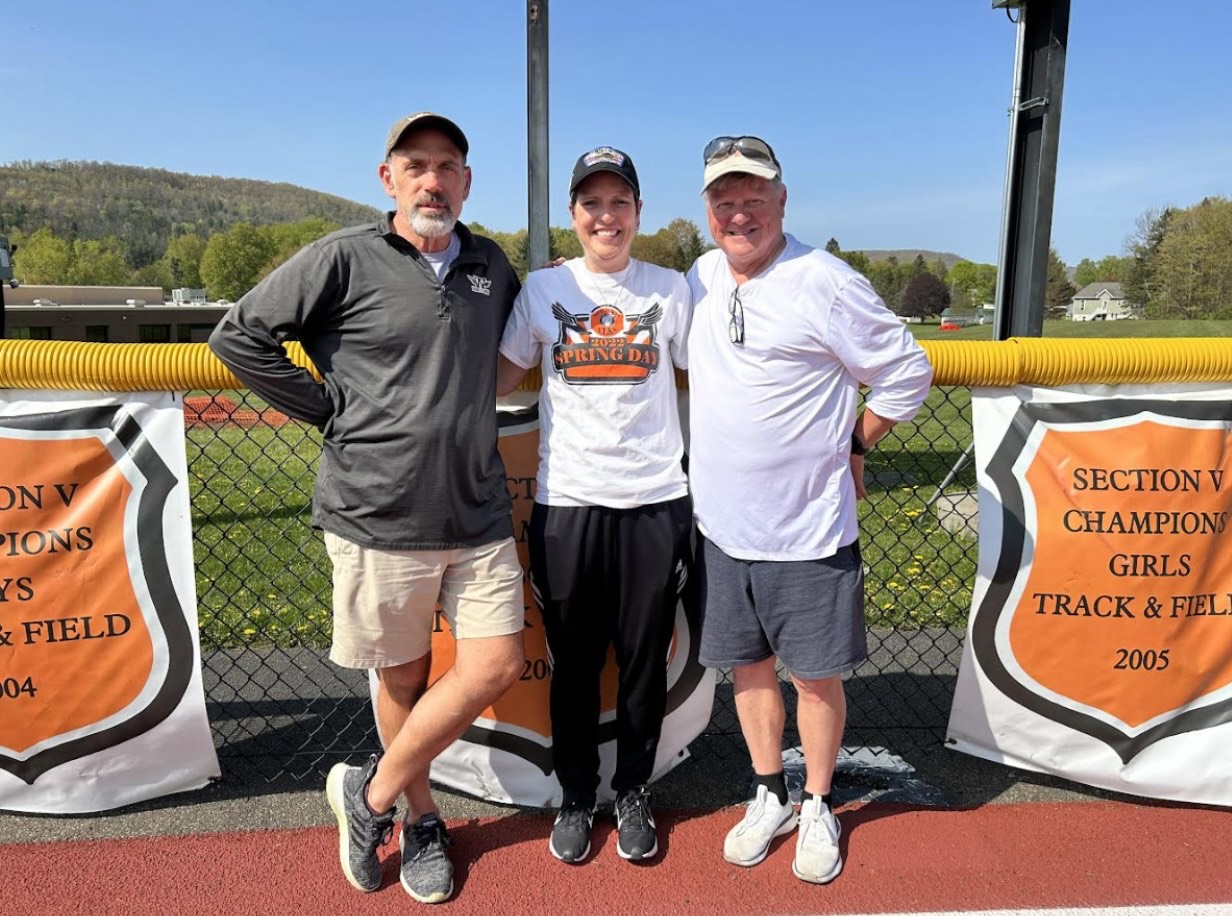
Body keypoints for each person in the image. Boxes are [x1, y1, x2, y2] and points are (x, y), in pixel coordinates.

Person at [208, 112, 525, 905]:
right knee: (404, 676)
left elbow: (513, 358)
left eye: (447, 165)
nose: (432, 179)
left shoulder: (492, 264)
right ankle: (421, 822)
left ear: (466, 181)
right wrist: (327, 410)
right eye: (415, 164)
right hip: (377, 514)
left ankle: (369, 794)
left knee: (496, 663)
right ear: (387, 179)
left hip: (479, 509)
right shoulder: (344, 258)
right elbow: (239, 336)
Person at [685, 136, 932, 885]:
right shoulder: (696, 278)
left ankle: (818, 801)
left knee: (816, 677)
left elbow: (907, 371)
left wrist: (856, 442)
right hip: (723, 526)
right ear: (706, 209)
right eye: (724, 199)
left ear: (781, 200)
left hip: (809, 526)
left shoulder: (823, 280)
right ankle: (770, 792)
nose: (739, 212)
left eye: (753, 196)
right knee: (749, 669)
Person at [496, 146, 693, 865]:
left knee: (644, 660)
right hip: (569, 502)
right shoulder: (546, 290)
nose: (605, 216)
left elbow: (716, 376)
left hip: (654, 501)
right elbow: (502, 374)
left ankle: (633, 788)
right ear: (573, 216)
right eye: (592, 204)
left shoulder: (672, 289)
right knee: (575, 662)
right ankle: (577, 794)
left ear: (637, 213)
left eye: (619, 203)